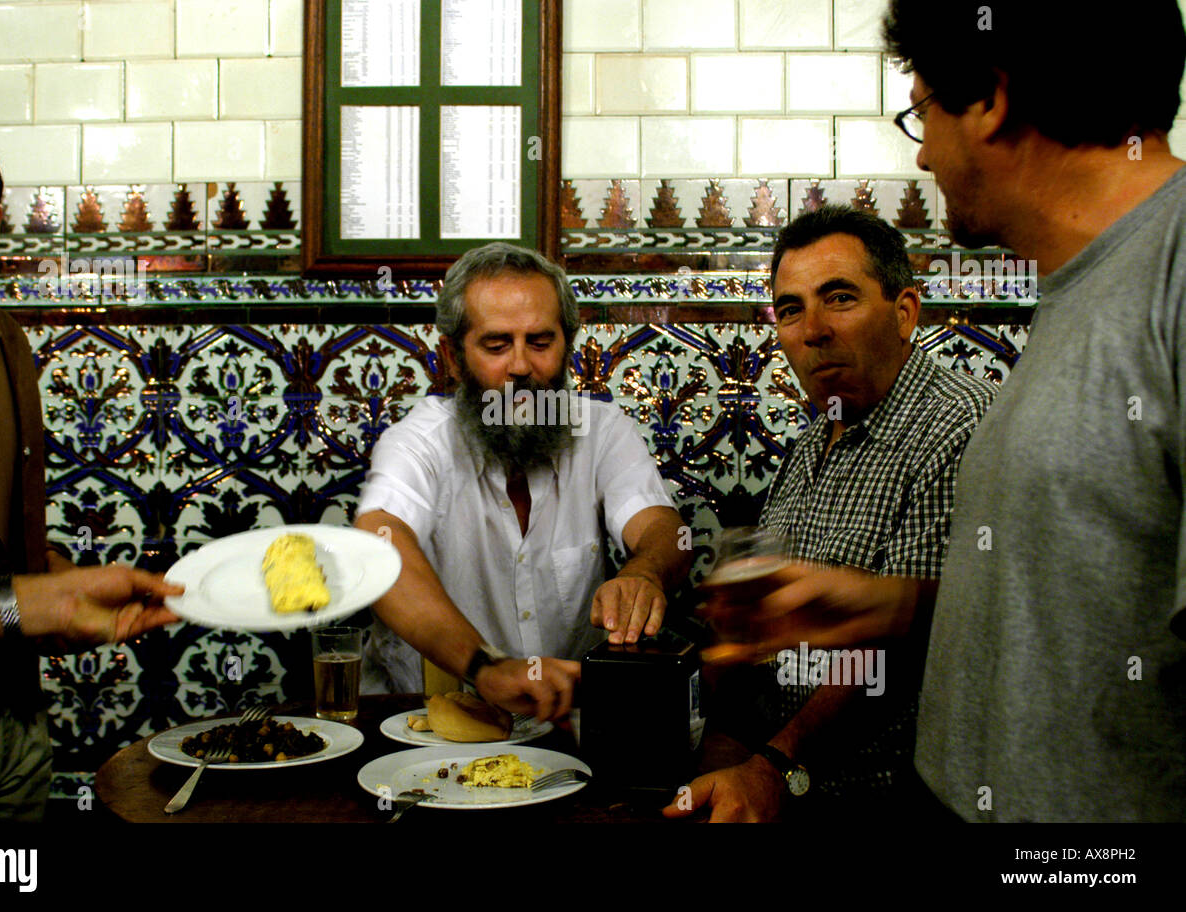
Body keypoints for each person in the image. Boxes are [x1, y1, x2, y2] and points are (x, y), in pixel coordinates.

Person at [707, 0, 1186, 821]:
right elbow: (1094, 585)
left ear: (990, 99)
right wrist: (889, 606)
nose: (923, 152)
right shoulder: (1080, 285)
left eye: (922, 111)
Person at [0, 102, 182, 822]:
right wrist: (25, 605)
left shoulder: (2, 342)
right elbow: (3, 597)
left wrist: (71, 590)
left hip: (14, 737)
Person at [663, 206, 994, 822]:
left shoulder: (958, 424)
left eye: (838, 298)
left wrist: (773, 767)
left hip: (885, 800)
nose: (812, 329)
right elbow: (760, 639)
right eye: (790, 309)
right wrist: (719, 746)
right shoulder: (815, 441)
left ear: (905, 313)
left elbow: (904, 648)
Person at [354, 242, 692, 720]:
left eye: (540, 342)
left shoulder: (599, 430)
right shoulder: (418, 442)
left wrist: (645, 571)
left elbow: (664, 530)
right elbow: (378, 545)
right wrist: (487, 667)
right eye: (496, 345)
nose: (520, 367)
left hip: (566, 730)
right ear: (453, 358)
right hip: (421, 729)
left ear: (566, 348)